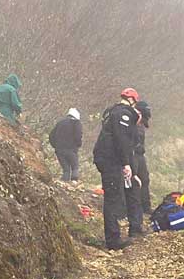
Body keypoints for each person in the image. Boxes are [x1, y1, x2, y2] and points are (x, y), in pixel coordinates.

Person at [93, 87, 140, 250]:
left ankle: (113, 235)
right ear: (133, 101)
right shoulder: (124, 114)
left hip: (106, 157)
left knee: (113, 195)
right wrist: (126, 164)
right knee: (112, 197)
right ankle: (113, 240)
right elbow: (122, 140)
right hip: (110, 159)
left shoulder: (113, 111)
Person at [127, 98, 153, 231]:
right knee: (135, 184)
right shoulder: (132, 121)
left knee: (145, 180)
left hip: (140, 155)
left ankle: (146, 207)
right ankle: (135, 220)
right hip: (133, 155)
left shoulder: (142, 123)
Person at [49, 108, 82, 182]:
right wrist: (78, 145)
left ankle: (65, 182)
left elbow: (51, 136)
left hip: (59, 150)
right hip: (71, 150)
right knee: (75, 167)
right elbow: (78, 136)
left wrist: (55, 146)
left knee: (66, 169)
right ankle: (74, 183)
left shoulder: (60, 123)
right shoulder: (76, 124)